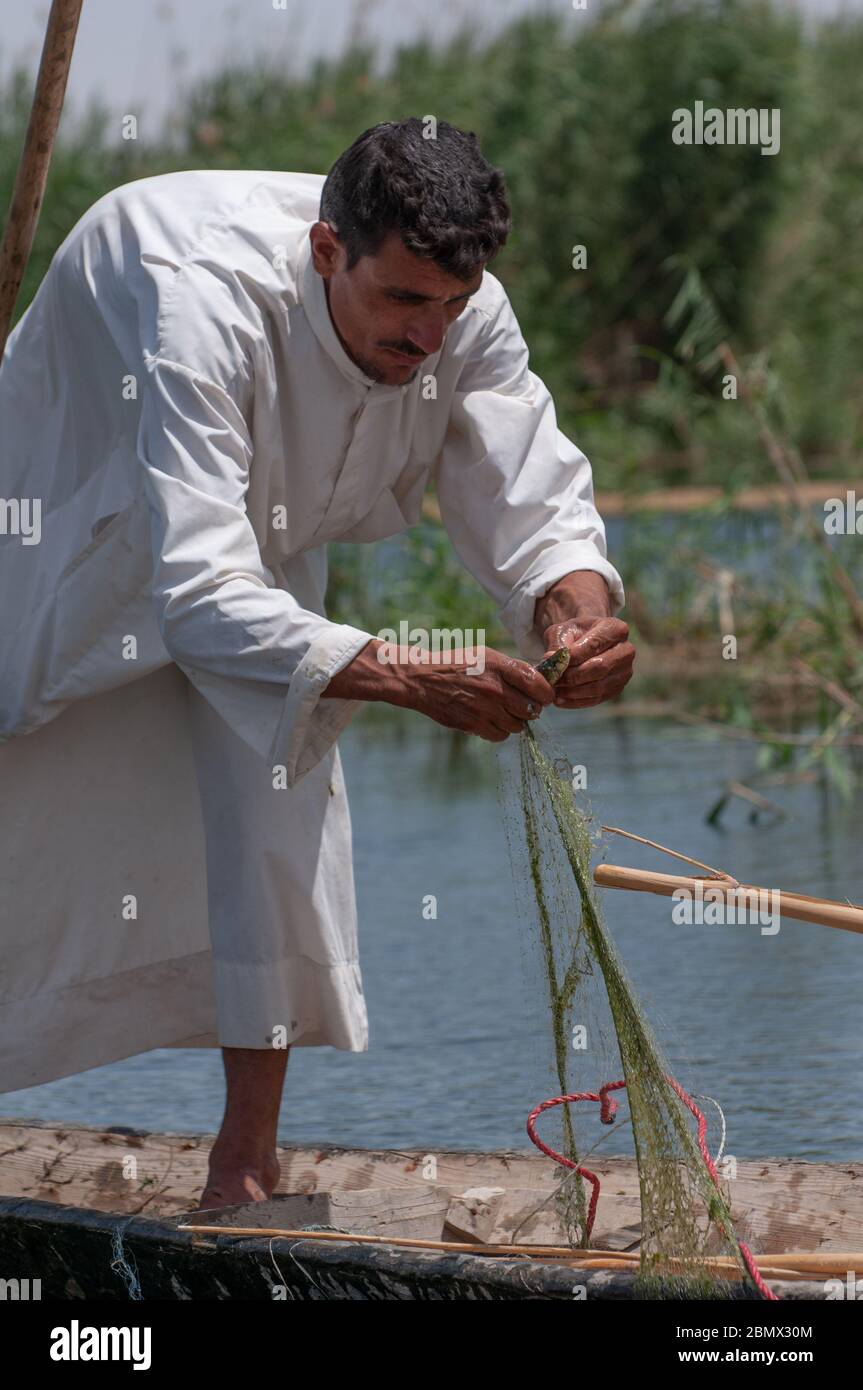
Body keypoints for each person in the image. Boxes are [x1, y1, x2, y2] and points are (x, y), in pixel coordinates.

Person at [0, 117, 634, 1209]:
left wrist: (572, 611)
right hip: (76, 486)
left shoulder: (458, 305)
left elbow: (529, 492)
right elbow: (195, 585)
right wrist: (404, 672)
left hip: (257, 528)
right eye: (403, 303)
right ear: (326, 250)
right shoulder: (196, 294)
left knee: (274, 781)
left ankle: (245, 1164)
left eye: (450, 305)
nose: (429, 335)